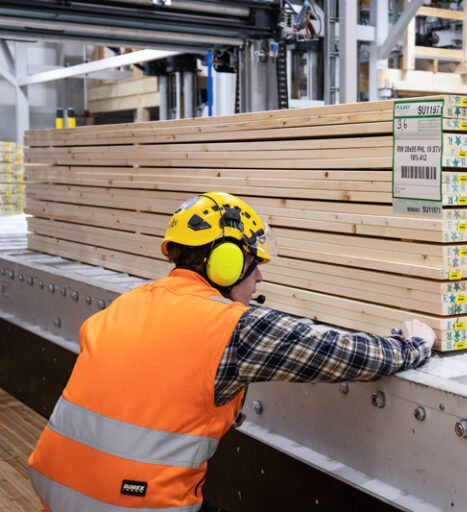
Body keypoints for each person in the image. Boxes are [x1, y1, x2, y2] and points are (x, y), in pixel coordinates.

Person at [27, 192, 435, 512]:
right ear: (225, 261)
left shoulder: (126, 304)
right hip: (131, 506)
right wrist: (413, 344)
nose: (259, 275)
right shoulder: (233, 326)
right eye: (253, 261)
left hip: (55, 489)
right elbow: (341, 353)